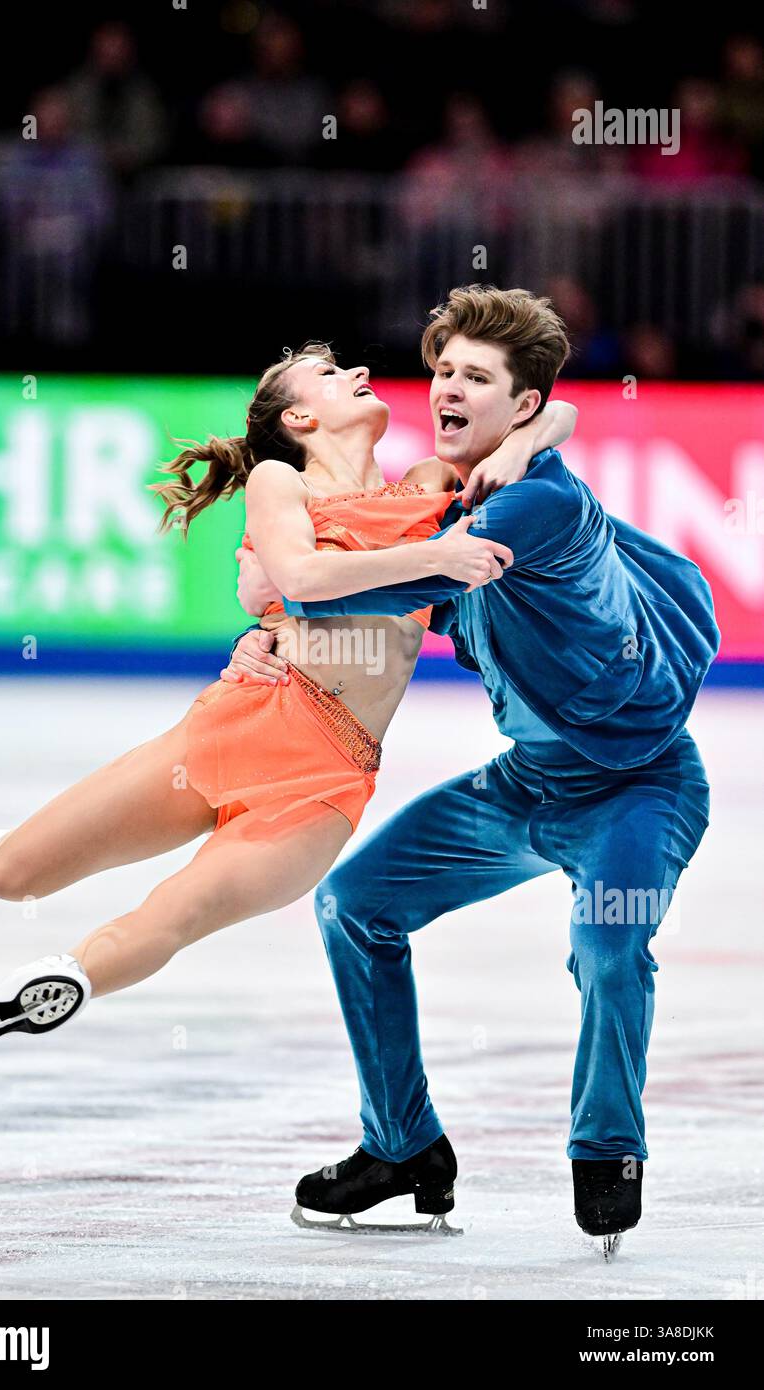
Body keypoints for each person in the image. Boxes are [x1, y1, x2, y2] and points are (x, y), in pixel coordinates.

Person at [0, 341, 577, 1089]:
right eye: (333, 375)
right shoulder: (281, 483)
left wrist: (523, 441)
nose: (359, 372)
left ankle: (65, 978)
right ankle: (15, 850)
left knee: (177, 912)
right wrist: (437, 559)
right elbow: (304, 575)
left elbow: (557, 412)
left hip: (326, 787)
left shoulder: (430, 486)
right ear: (300, 417)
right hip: (243, 724)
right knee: (15, 879)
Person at [226, 285, 719, 1252]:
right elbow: (376, 604)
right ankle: (402, 1145)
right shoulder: (462, 495)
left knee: (609, 951)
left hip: (637, 786)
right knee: (355, 904)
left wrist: (282, 593)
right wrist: (277, 640)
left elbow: (364, 582)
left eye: (477, 379)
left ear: (520, 406)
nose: (447, 388)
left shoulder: (534, 507)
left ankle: (607, 1145)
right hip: (526, 787)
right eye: (444, 370)